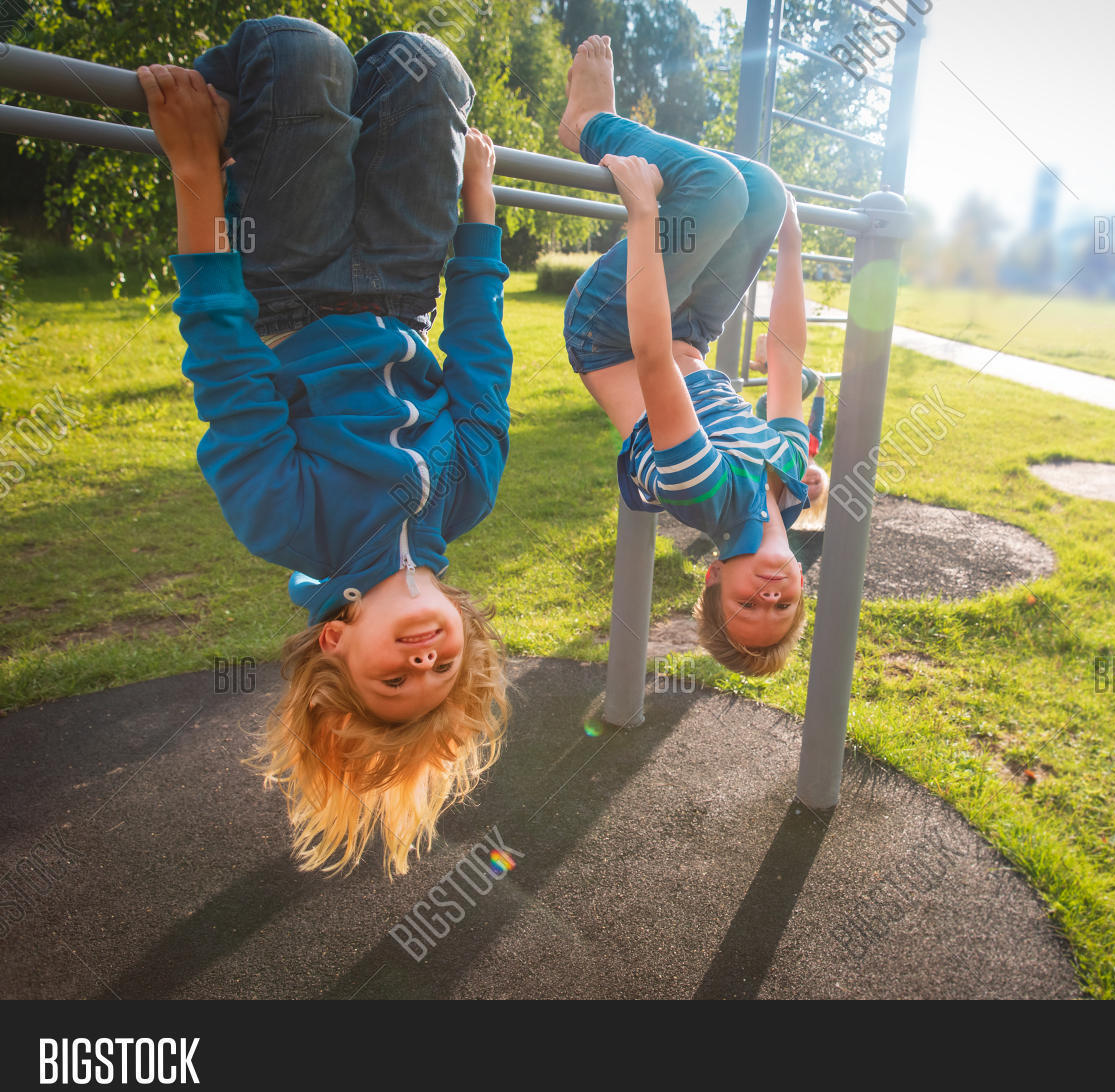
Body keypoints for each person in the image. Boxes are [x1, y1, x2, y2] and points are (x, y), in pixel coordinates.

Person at [142, 16, 513, 876]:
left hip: (283, 287)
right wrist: (479, 212)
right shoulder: (467, 494)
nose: (424, 660)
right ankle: (275, 113)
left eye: (395, 680)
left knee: (298, 53)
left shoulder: (286, 523)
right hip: (404, 284)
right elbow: (484, 359)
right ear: (464, 633)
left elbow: (225, 363)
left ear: (337, 645)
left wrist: (196, 171)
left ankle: (227, 114)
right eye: (441, 670)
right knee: (428, 67)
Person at [557, 35, 812, 676]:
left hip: (612, 333)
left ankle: (588, 123)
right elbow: (785, 363)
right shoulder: (786, 489)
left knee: (717, 188)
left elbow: (649, 358)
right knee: (763, 189)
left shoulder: (707, 497)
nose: (770, 596)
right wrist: (790, 249)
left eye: (748, 605)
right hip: (689, 331)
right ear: (803, 593)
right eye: (780, 609)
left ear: (713, 577)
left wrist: (642, 217)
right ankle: (613, 131)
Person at [750, 336, 828, 531]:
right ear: (824, 477)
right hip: (787, 407)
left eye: (805, 485)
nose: (810, 479)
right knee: (811, 378)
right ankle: (765, 365)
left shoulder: (789, 463)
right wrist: (821, 391)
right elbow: (816, 420)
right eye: (816, 482)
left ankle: (767, 364)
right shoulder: (814, 446)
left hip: (770, 410)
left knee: (800, 381)